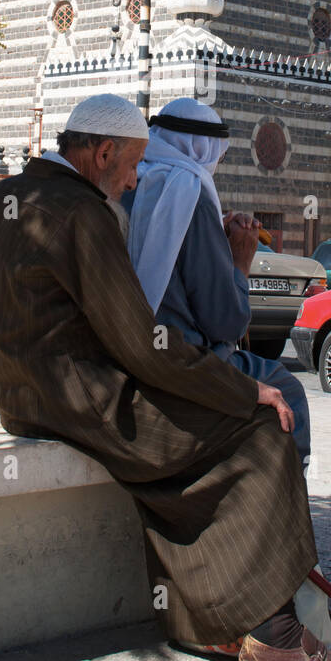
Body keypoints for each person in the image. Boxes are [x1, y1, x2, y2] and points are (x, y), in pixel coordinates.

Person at [0, 93, 331, 661]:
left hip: (27, 395)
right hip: (83, 400)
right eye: (132, 164)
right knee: (263, 433)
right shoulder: (84, 214)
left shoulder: (12, 194)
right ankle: (276, 635)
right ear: (103, 152)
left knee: (230, 426)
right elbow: (142, 341)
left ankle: (234, 618)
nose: (136, 177)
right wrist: (242, 394)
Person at [122, 97, 311, 472]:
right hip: (182, 359)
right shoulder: (191, 189)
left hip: (129, 349)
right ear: (202, 148)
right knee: (285, 386)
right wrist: (239, 260)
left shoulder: (130, 178)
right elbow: (225, 321)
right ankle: (287, 498)